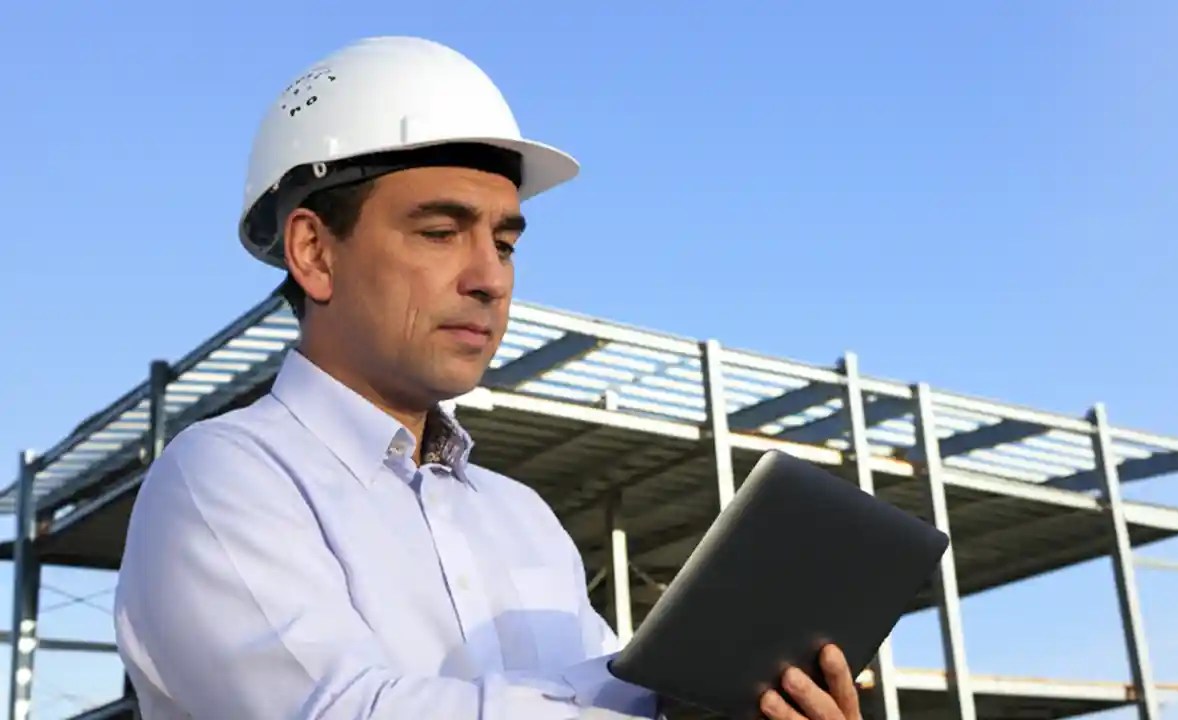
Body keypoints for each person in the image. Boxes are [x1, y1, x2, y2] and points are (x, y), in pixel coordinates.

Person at [113, 36, 863, 720]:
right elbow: (341, 712)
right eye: (441, 233)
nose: (490, 278)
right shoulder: (221, 478)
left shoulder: (524, 519)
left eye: (504, 244)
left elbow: (628, 698)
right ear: (313, 252)